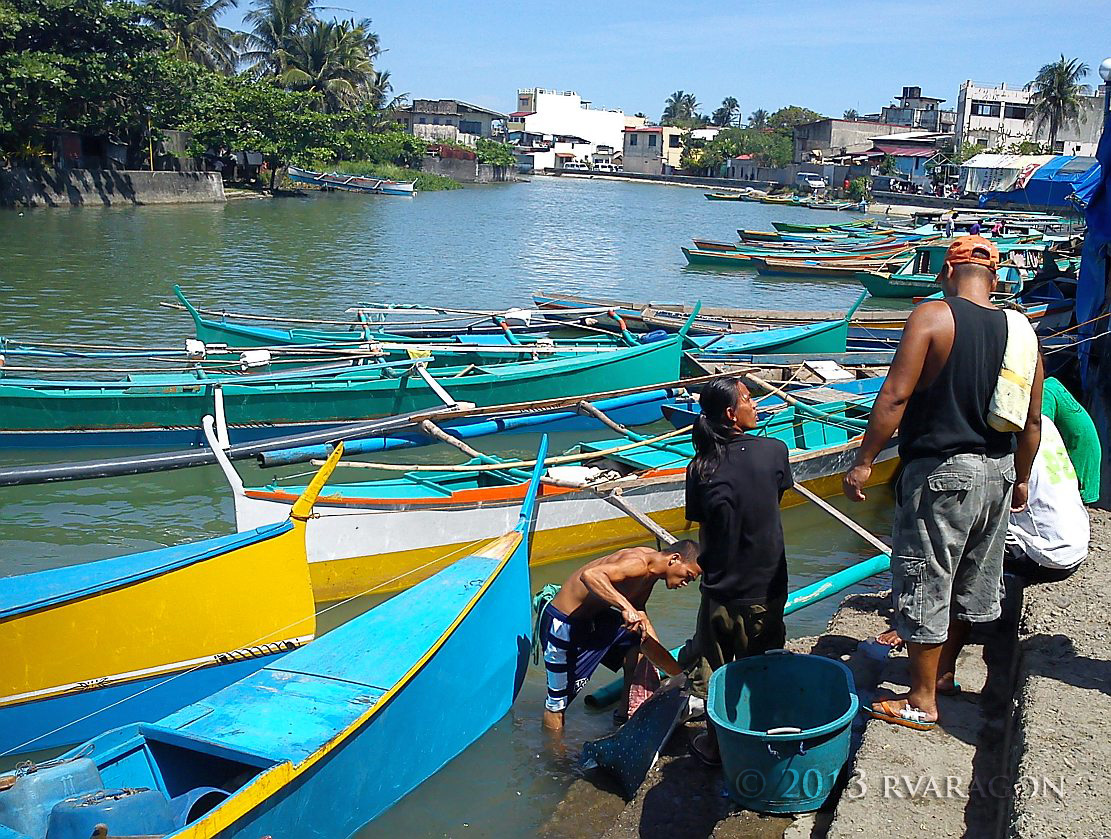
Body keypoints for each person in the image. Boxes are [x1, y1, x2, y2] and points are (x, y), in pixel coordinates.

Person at [843, 235, 1044, 731]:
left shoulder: (932, 317)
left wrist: (864, 460)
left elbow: (894, 396)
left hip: (942, 473)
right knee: (965, 581)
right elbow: (1032, 421)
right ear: (994, 277)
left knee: (926, 579)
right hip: (998, 472)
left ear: (949, 272)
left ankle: (921, 700)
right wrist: (1021, 479)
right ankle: (944, 674)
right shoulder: (1021, 331)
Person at [682, 378, 793, 763]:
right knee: (760, 671)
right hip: (763, 588)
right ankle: (761, 748)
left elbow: (705, 527)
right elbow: (770, 502)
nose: (755, 404)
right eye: (748, 399)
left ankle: (716, 746)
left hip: (717, 590)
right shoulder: (774, 451)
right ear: (731, 414)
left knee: (714, 674)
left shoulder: (698, 467)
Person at [539, 541, 701, 731]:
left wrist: (672, 671)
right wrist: (625, 607)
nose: (685, 583)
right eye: (688, 576)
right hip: (563, 624)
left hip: (594, 620)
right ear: (674, 559)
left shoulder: (652, 572)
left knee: (637, 643)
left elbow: (639, 612)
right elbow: (590, 576)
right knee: (557, 704)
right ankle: (555, 749)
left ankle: (625, 716)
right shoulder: (637, 563)